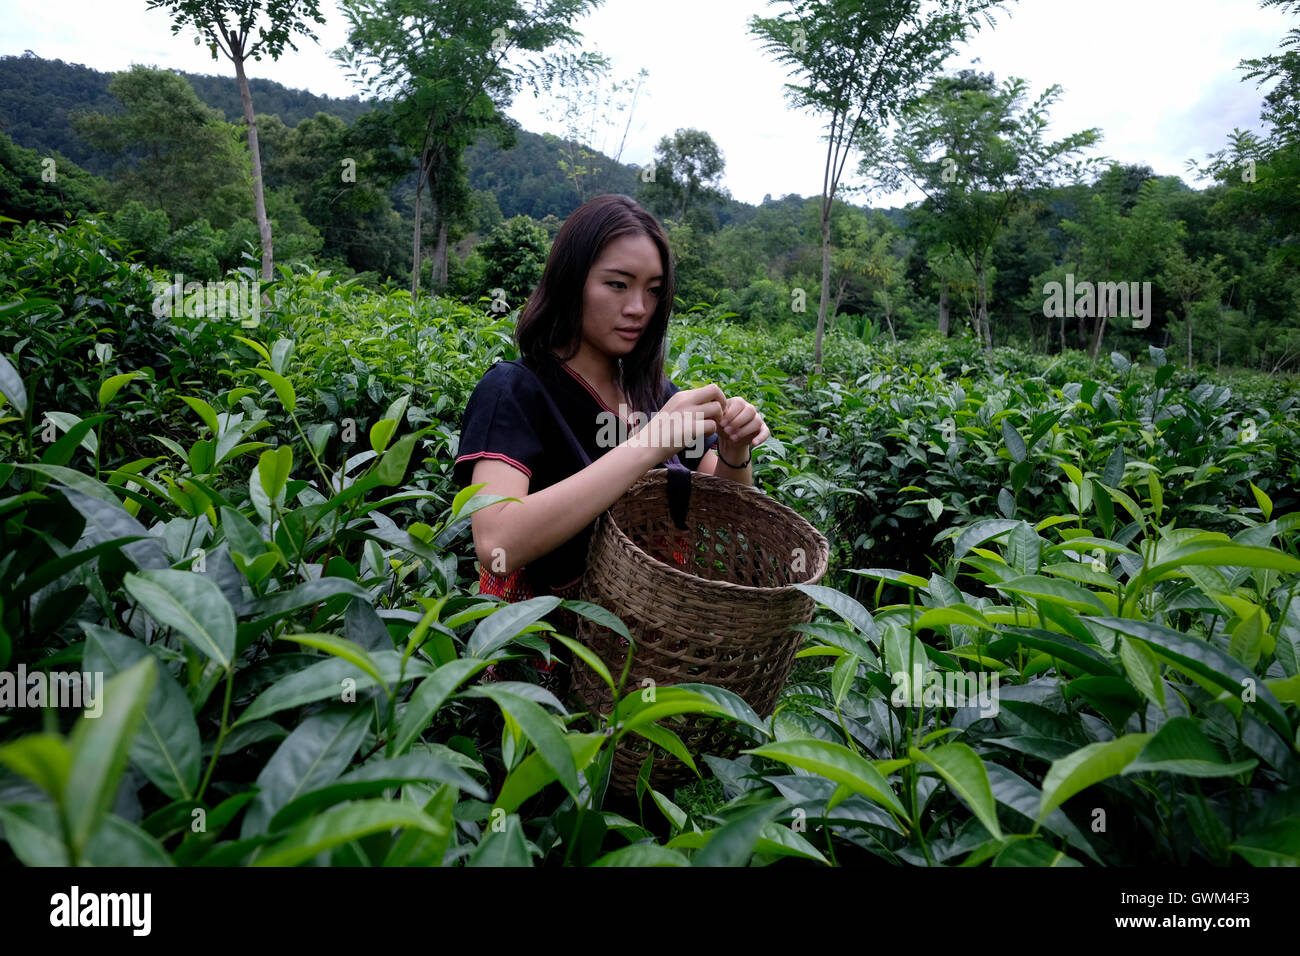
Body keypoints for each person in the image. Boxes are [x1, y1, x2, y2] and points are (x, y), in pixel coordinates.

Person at [452, 193, 770, 696]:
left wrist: (735, 451)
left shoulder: (656, 395)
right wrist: (650, 444)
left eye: (653, 290)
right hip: (543, 673)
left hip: (649, 660)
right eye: (617, 285)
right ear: (571, 281)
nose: (638, 308)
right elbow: (496, 542)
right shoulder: (515, 390)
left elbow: (724, 515)